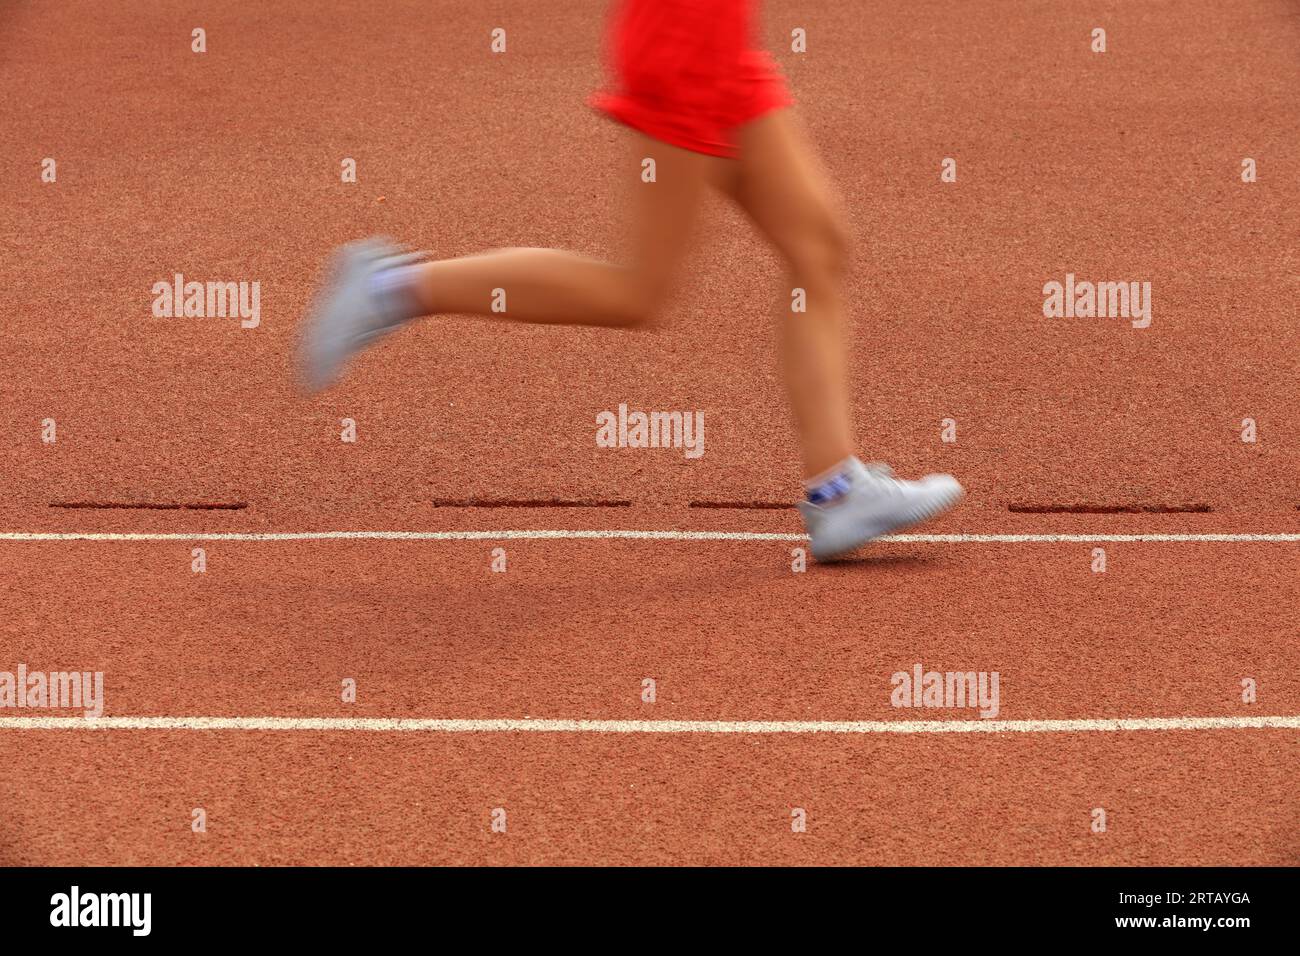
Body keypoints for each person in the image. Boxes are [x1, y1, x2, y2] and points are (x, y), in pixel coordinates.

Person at [299, 0, 962, 561]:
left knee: (818, 245)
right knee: (639, 291)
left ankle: (838, 491)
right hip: (685, 40)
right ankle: (390, 288)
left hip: (720, 40)